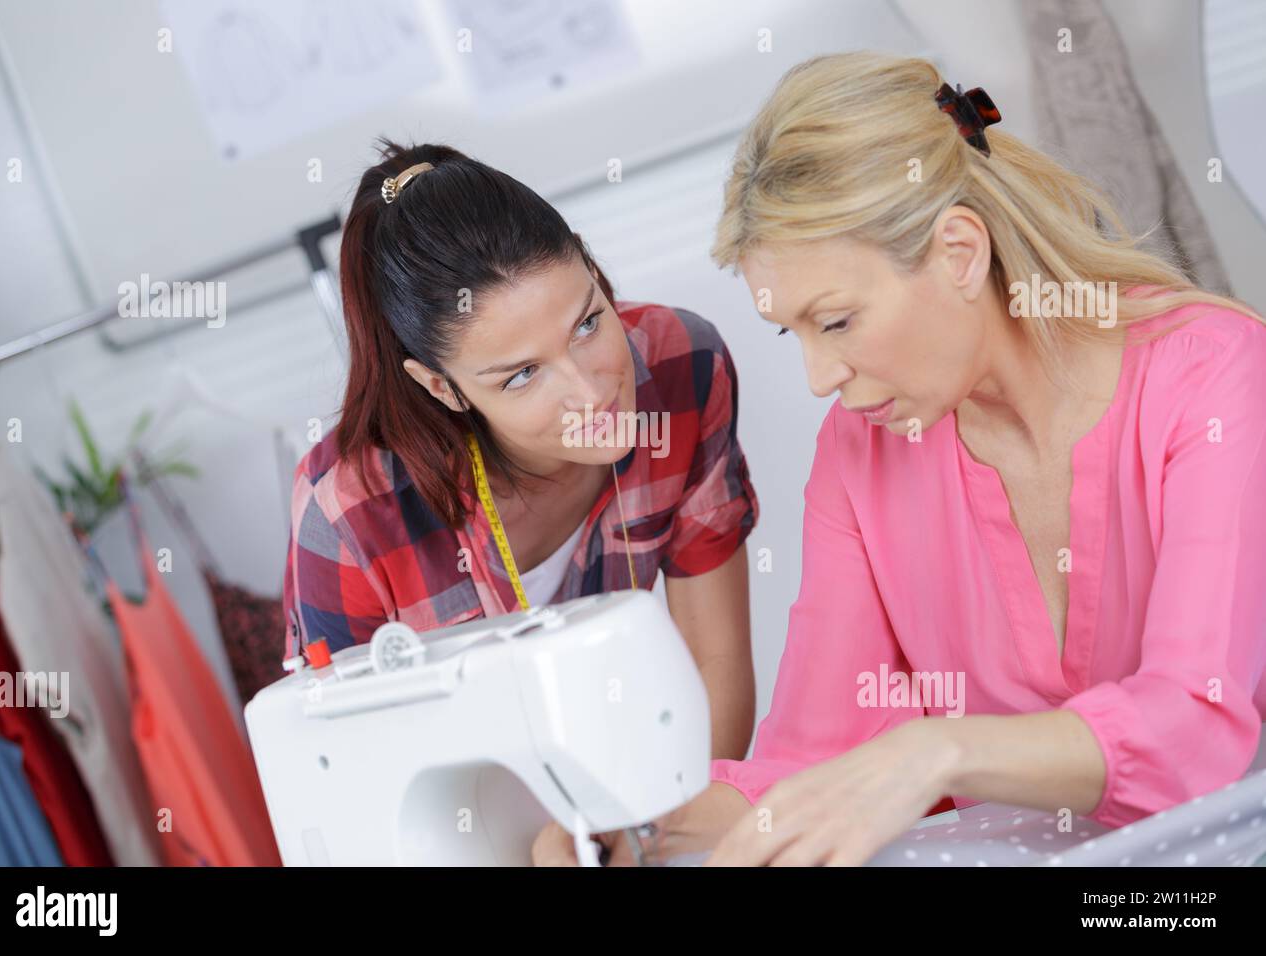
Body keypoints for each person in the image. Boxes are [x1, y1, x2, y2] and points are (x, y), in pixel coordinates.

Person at [539, 51, 1266, 866]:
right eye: (793, 333)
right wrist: (642, 827)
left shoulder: (1214, 373)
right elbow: (813, 759)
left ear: (959, 253)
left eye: (836, 322)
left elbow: (1193, 727)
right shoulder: (861, 448)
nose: (820, 378)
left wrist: (939, 751)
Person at [281, 141, 760, 778]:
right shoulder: (349, 513)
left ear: (589, 264)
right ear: (441, 387)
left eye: (587, 324)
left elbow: (713, 663)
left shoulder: (682, 366)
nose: (591, 394)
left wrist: (681, 823)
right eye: (522, 375)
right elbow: (358, 772)